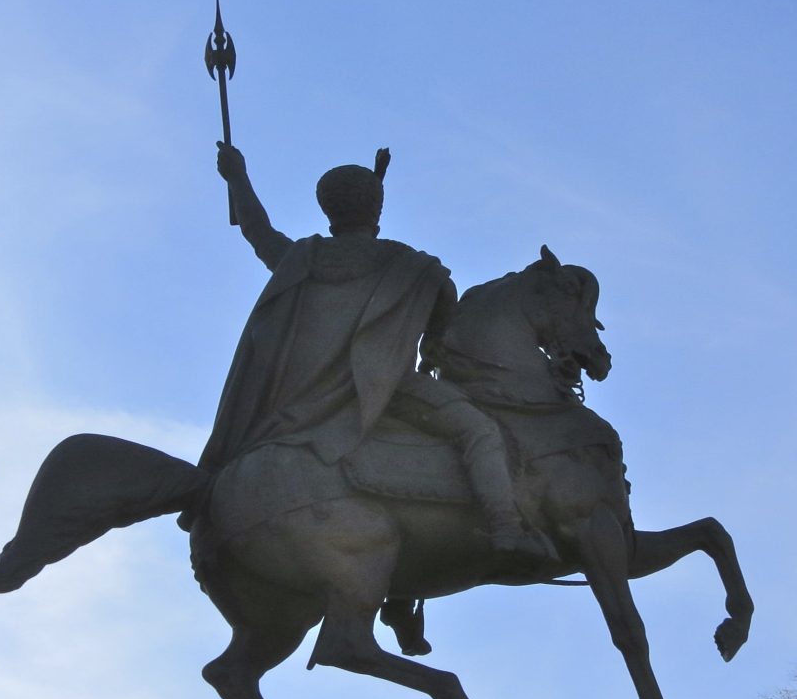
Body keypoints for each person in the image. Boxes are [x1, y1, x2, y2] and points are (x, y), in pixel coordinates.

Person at [201, 144, 555, 649]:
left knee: (398, 490)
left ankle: (401, 599)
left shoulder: (304, 257)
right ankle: (506, 529)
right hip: (386, 393)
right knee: (476, 431)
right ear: (378, 209)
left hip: (308, 402)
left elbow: (258, 233)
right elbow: (443, 336)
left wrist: (237, 178)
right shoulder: (410, 266)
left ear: (328, 210)